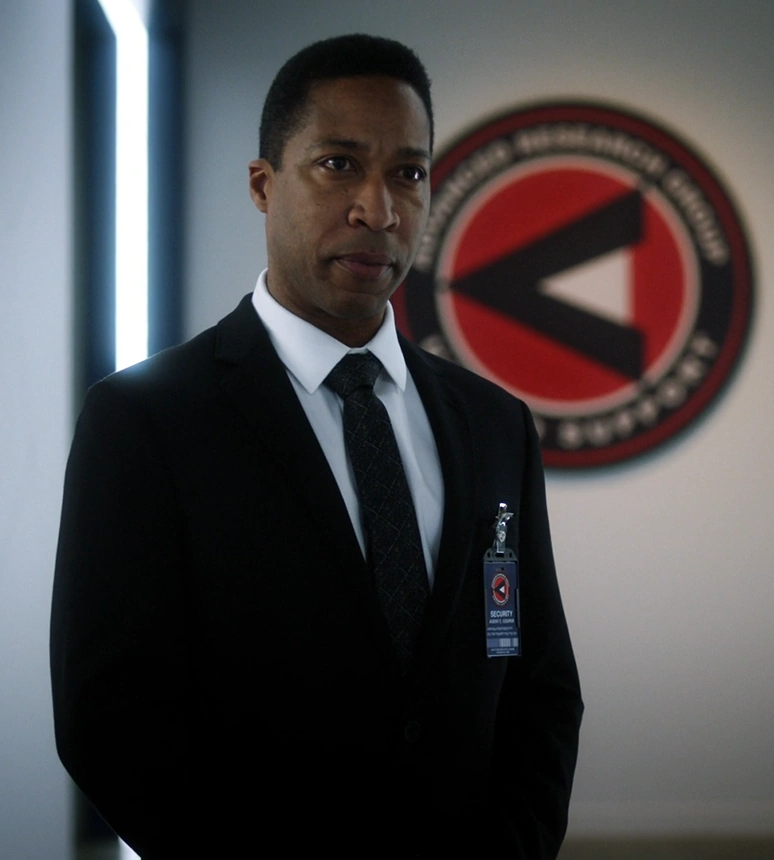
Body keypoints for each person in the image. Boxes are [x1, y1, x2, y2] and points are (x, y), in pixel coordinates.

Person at [51, 33, 583, 859]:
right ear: (263, 185)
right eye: (339, 164)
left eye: (408, 173)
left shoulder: (493, 424)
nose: (379, 209)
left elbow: (537, 682)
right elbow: (111, 720)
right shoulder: (146, 421)